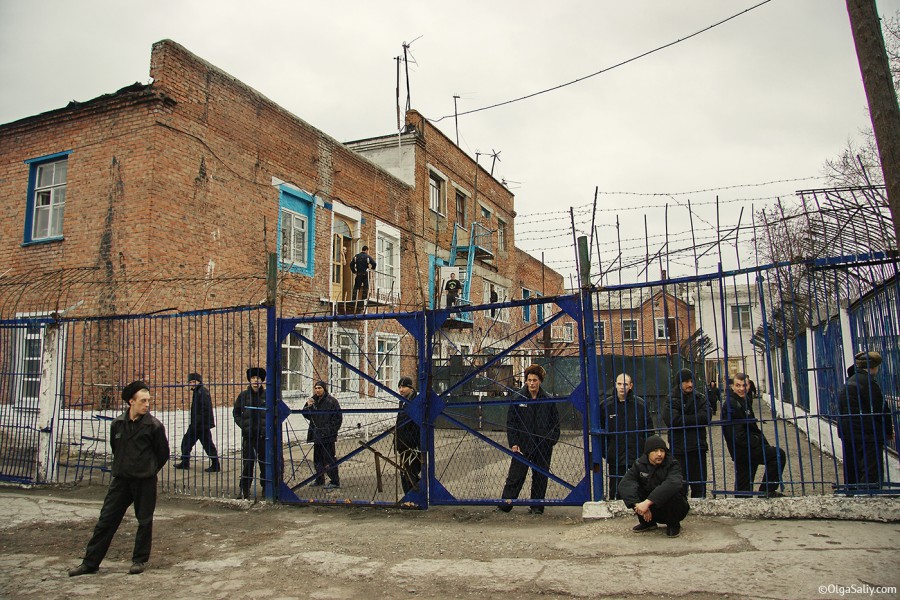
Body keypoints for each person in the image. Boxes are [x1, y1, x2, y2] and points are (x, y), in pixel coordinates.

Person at [68, 381, 170, 576]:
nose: (147, 404)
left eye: (148, 400)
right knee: (106, 519)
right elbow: (116, 449)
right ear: (131, 401)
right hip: (121, 480)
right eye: (143, 400)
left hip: (144, 480)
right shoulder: (117, 424)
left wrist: (148, 469)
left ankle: (139, 560)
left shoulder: (154, 426)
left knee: (144, 520)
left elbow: (162, 454)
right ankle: (90, 562)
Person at [497, 364, 560, 515]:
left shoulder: (548, 400)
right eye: (529, 380)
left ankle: (537, 506)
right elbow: (511, 423)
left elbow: (555, 424)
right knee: (515, 476)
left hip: (542, 446)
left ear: (540, 381)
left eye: (535, 380)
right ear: (525, 381)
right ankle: (506, 504)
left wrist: (550, 441)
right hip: (523, 445)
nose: (532, 383)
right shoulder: (517, 398)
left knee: (540, 477)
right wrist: (514, 444)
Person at [722, 372, 786, 498]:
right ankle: (766, 491)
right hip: (745, 449)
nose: (741, 388)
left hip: (743, 449)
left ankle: (744, 502)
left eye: (744, 385)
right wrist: (757, 441)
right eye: (738, 385)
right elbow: (737, 434)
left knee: (744, 484)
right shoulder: (732, 404)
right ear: (732, 386)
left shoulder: (743, 400)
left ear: (749, 385)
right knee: (778, 455)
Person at [837, 351, 894, 490]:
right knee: (870, 469)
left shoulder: (849, 382)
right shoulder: (868, 384)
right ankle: (869, 496)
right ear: (873, 367)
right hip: (868, 433)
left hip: (848, 432)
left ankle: (852, 491)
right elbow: (880, 409)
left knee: (853, 466)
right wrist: (888, 430)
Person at [619, 435, 690, 538]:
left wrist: (647, 502)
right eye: (655, 451)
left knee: (672, 492)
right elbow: (625, 483)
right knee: (634, 489)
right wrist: (637, 504)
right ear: (648, 452)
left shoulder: (673, 464)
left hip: (673, 509)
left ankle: (673, 524)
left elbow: (672, 484)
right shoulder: (639, 464)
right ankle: (648, 523)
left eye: (662, 451)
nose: (660, 454)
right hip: (650, 510)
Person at [601, 373, 653, 500]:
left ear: (631, 386)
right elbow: (601, 432)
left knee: (639, 486)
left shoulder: (640, 405)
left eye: (625, 384)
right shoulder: (606, 406)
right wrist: (607, 451)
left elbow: (649, 430)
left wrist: (645, 451)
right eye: (619, 384)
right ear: (615, 385)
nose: (621, 387)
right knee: (616, 488)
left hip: (636, 454)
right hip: (615, 455)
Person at [662, 369, 711, 498]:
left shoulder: (700, 397)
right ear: (679, 383)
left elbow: (706, 417)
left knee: (699, 485)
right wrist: (695, 419)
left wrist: (684, 419)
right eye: (686, 382)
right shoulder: (671, 399)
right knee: (680, 485)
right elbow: (673, 420)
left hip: (698, 447)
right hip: (679, 449)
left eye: (691, 381)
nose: (690, 384)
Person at [301, 380, 343, 489]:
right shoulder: (313, 400)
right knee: (317, 459)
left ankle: (334, 480)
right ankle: (319, 479)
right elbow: (306, 414)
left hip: (327, 436)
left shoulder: (331, 402)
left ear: (324, 389)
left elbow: (337, 419)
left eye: (319, 388)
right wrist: (308, 406)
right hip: (316, 434)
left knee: (329, 458)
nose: (317, 390)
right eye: (316, 388)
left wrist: (329, 431)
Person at [174, 372, 219, 472]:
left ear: (199, 381)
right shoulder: (198, 392)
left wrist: (197, 424)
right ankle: (185, 462)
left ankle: (215, 465)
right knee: (188, 442)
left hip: (200, 425)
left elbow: (205, 410)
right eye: (190, 382)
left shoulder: (202, 392)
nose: (192, 384)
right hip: (198, 424)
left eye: (194, 381)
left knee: (205, 445)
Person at [233, 367, 267, 500]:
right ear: (249, 380)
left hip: (264, 436)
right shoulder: (243, 396)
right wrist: (243, 425)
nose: (255, 381)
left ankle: (266, 488)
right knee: (248, 464)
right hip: (249, 436)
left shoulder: (267, 395)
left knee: (264, 464)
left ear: (262, 381)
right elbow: (236, 413)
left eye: (258, 378)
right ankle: (244, 489)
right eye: (253, 378)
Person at [394, 376, 422, 495]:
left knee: (411, 472)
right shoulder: (403, 402)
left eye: (403, 387)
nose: (401, 390)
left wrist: (411, 441)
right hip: (403, 443)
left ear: (410, 387)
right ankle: (411, 496)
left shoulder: (416, 402)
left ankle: (415, 496)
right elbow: (399, 423)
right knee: (405, 472)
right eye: (399, 387)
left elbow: (417, 425)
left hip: (413, 444)